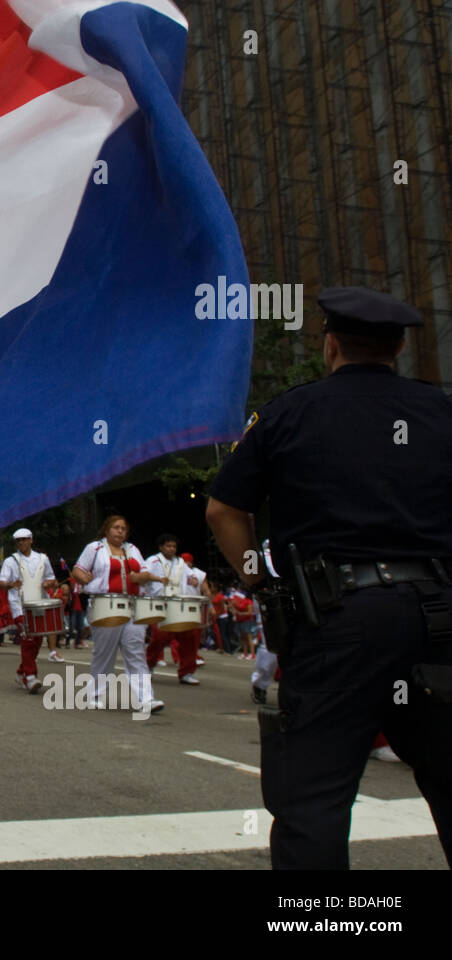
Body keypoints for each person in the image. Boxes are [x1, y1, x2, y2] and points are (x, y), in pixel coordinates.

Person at [206, 285, 452, 869]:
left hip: (341, 617)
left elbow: (222, 510)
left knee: (313, 798)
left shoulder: (292, 411)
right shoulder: (440, 410)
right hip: (441, 616)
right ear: (396, 348)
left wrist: (259, 586)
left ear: (331, 344)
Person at [70, 516, 166, 714]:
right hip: (105, 604)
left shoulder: (133, 550)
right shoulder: (95, 548)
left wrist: (140, 577)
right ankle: (95, 694)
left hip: (132, 605)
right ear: (107, 530)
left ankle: (146, 699)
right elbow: (78, 570)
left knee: (136, 651)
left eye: (123, 528)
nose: (120, 531)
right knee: (104, 652)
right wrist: (83, 577)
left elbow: (143, 573)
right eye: (116, 527)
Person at [0, 528, 57, 692]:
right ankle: (30, 677)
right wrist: (11, 584)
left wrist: (48, 583)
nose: (22, 543)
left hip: (39, 604)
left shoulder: (43, 559)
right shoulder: (11, 561)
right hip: (19, 606)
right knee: (27, 639)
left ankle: (21, 672)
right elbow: (1, 583)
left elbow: (51, 577)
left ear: (31, 540)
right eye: (18, 541)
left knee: (37, 641)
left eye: (24, 539)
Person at [142, 533, 200, 683]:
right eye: (168, 546)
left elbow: (191, 575)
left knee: (189, 637)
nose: (171, 549)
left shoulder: (181, 562)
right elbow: (144, 575)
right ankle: (147, 666)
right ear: (161, 547)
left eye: (174, 546)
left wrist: (193, 579)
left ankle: (186, 672)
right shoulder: (153, 561)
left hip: (179, 604)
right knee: (160, 637)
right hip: (160, 603)